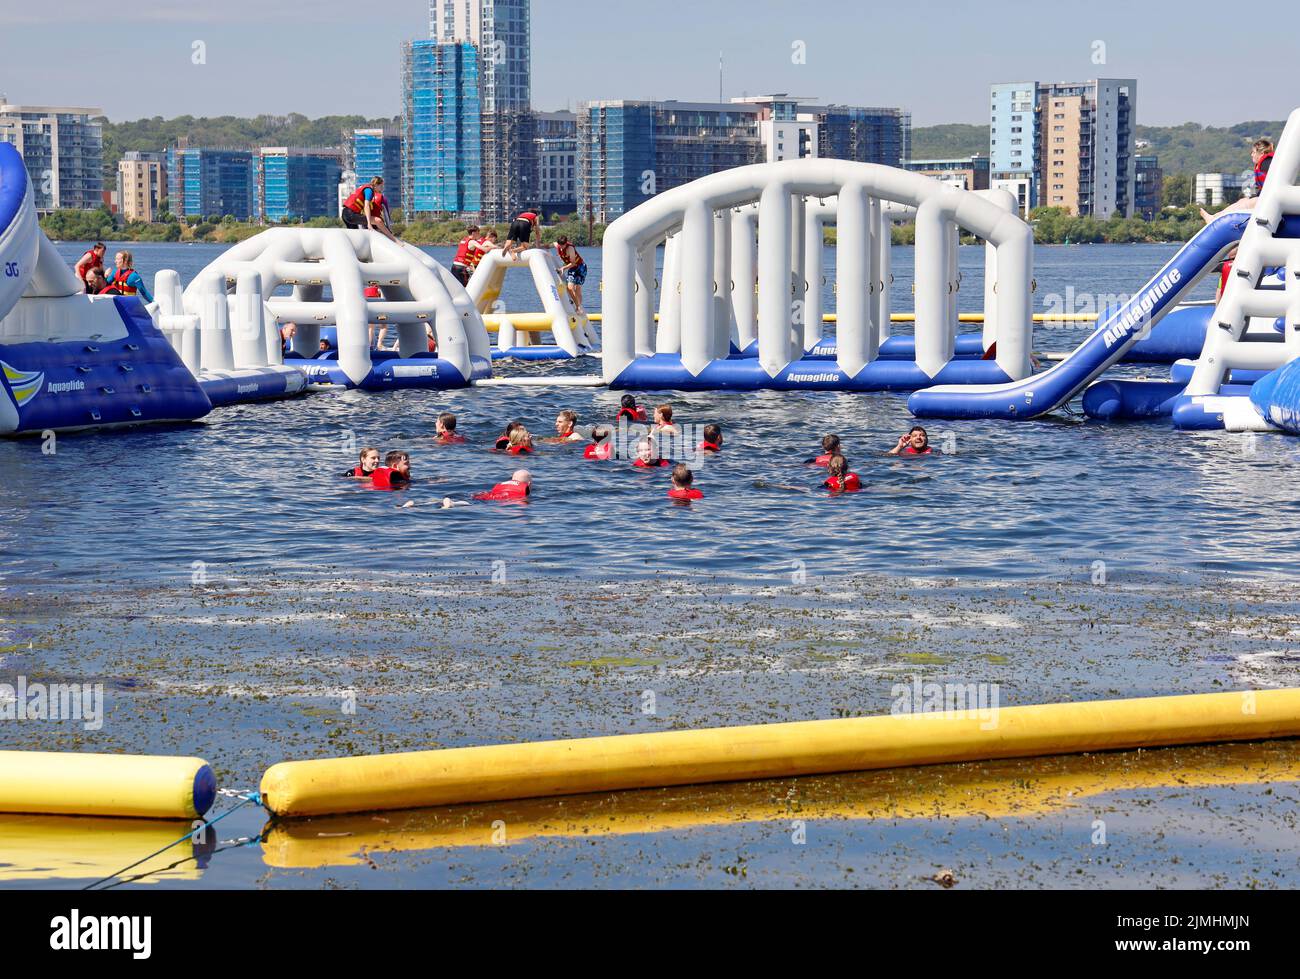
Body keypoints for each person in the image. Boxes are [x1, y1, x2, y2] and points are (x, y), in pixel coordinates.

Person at [1201, 138, 1274, 224]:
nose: (1251, 155)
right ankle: (1215, 217)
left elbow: (1269, 187)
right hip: (1268, 197)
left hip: (1269, 199)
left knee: (1244, 204)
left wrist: (1255, 197)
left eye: (1253, 152)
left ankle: (1214, 219)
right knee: (1242, 201)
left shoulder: (1266, 164)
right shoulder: (1266, 163)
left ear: (1261, 153)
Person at [341, 177, 398, 243]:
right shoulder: (369, 190)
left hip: (345, 214)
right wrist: (369, 223)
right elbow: (366, 206)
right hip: (351, 214)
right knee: (378, 221)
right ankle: (394, 240)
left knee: (355, 239)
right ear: (376, 185)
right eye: (381, 186)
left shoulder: (364, 187)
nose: (382, 188)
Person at [555, 235, 588, 313]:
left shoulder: (570, 248)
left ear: (566, 243)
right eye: (560, 245)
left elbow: (573, 263)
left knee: (578, 288)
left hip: (580, 267)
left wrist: (563, 268)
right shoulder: (557, 245)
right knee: (569, 288)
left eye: (563, 245)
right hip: (572, 269)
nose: (562, 247)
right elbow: (550, 244)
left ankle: (578, 307)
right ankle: (578, 306)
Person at [365, 286, 389, 350]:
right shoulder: (380, 283)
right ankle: (379, 344)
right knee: (383, 325)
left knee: (370, 327)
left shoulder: (367, 282)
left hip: (367, 297)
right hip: (377, 298)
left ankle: (369, 345)